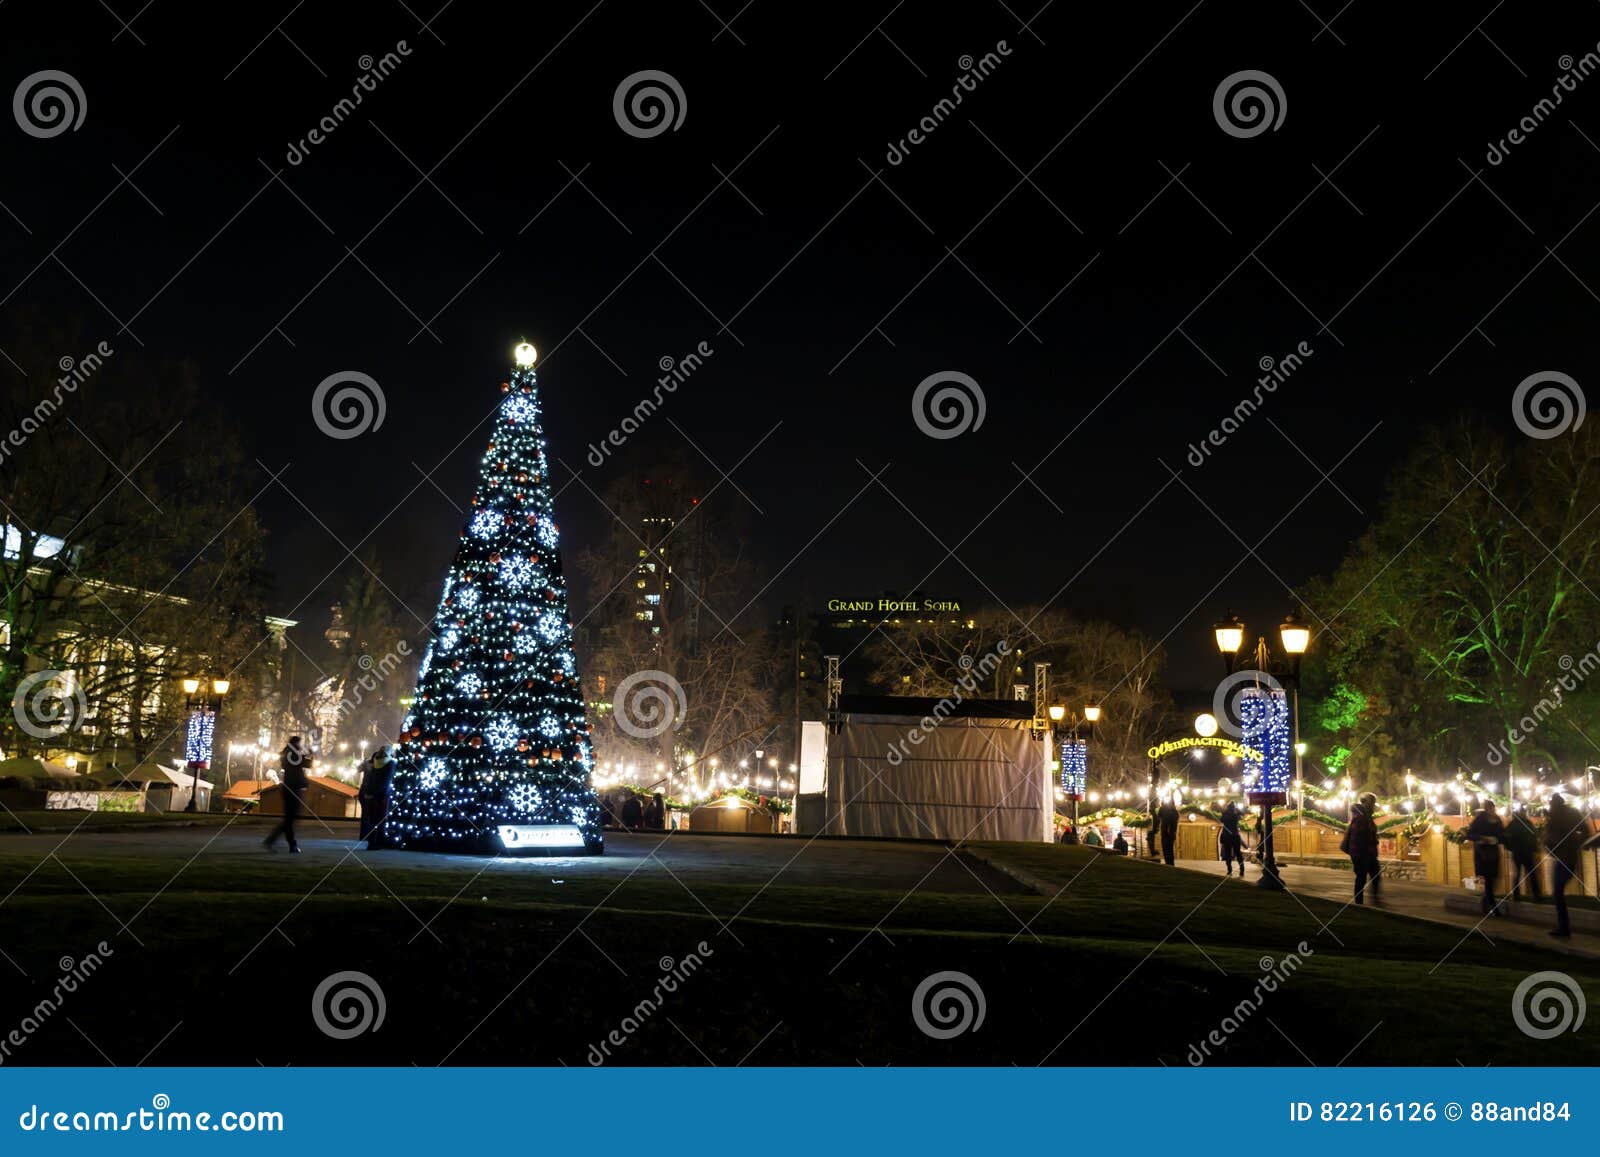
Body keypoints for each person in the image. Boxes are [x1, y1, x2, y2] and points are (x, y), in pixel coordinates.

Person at [1544, 793, 1588, 939]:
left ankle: (1564, 928)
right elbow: (1585, 830)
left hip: (1563, 858)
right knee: (1558, 892)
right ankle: (1563, 927)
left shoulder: (1555, 817)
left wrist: (1554, 846)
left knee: (1557, 892)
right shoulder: (1571, 813)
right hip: (1570, 856)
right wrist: (1577, 841)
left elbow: (1547, 839)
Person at [264, 736, 311, 853]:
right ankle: (278, 842)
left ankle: (290, 844)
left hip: (290, 788)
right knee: (290, 819)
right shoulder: (292, 754)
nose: (301, 745)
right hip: (293, 788)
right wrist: (310, 753)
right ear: (296, 743)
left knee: (290, 819)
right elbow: (307, 764)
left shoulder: (288, 753)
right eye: (300, 743)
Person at [1464, 797, 1506, 915]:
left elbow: (1502, 835)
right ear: (1486, 808)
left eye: (1493, 808)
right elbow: (1470, 834)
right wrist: (1482, 838)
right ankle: (1493, 907)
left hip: (1494, 852)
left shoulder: (1497, 820)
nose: (1492, 810)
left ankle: (1486, 902)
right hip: (1483, 853)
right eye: (1490, 808)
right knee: (1489, 879)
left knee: (1494, 878)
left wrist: (1498, 839)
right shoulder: (1480, 819)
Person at [1341, 791, 1381, 905]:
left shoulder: (1366, 816)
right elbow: (1359, 836)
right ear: (1367, 803)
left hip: (1368, 853)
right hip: (1362, 853)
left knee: (1374, 876)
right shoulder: (1361, 816)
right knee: (1361, 878)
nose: (1374, 805)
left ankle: (1374, 901)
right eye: (1373, 802)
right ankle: (1359, 903)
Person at [357, 745, 394, 849]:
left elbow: (370, 779)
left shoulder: (374, 763)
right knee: (380, 820)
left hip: (369, 794)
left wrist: (369, 792)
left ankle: (370, 841)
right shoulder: (390, 763)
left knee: (370, 819)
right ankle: (378, 842)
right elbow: (386, 781)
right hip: (382, 796)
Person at [1502, 805, 1540, 901]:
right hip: (1526, 851)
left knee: (1518, 874)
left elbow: (1505, 836)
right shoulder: (1527, 823)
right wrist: (1534, 848)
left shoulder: (1513, 824)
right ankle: (1536, 894)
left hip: (1518, 852)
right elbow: (1534, 835)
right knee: (1531, 873)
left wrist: (1510, 848)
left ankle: (1516, 894)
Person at [1218, 801, 1246, 877]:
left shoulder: (1225, 814)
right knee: (1238, 853)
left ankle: (1229, 870)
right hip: (1235, 835)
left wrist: (1225, 810)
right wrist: (1237, 809)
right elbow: (1243, 814)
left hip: (1227, 836)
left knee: (1228, 854)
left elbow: (1221, 820)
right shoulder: (1235, 814)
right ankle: (1241, 869)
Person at [1157, 797, 1180, 866]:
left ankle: (1168, 863)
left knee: (1166, 849)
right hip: (1172, 833)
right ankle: (1171, 863)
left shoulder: (1164, 809)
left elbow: (1159, 816)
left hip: (1165, 833)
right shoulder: (1175, 811)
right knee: (1170, 849)